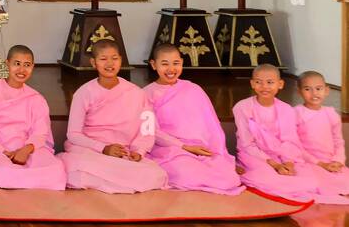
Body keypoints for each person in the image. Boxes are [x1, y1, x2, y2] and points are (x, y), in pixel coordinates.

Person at [61, 39, 168, 193]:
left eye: (114, 58)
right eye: (103, 59)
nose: (109, 63)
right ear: (93, 62)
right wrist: (103, 148)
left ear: (121, 61)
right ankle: (120, 181)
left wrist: (139, 151)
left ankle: (108, 180)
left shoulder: (137, 93)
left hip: (123, 152)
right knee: (73, 169)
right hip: (91, 149)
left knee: (157, 175)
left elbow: (147, 128)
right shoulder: (84, 93)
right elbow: (73, 134)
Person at [142, 43, 243, 194]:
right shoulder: (145, 94)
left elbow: (212, 127)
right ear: (153, 65)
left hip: (200, 148)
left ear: (182, 63)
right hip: (169, 149)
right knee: (186, 173)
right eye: (164, 64)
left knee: (230, 179)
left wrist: (219, 152)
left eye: (176, 63)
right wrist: (184, 146)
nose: (171, 69)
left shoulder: (193, 89)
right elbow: (149, 131)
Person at [233, 65, 343, 203]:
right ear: (252, 83)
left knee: (310, 182)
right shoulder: (242, 107)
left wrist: (288, 163)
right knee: (267, 178)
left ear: (280, 84)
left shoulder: (286, 109)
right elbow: (246, 143)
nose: (264, 86)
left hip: (282, 155)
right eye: (258, 82)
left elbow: (289, 140)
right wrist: (275, 165)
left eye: (270, 82)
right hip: (254, 155)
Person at [0, 44, 66, 190]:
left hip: (26, 149)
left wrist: (26, 150)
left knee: (56, 169)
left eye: (27, 65)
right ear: (7, 64)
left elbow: (40, 133)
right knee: (3, 171)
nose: (22, 70)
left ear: (33, 67)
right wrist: (3, 151)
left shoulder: (36, 98)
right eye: (17, 64)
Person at [293, 71, 349, 202]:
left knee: (343, 179)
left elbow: (338, 141)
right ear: (299, 92)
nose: (314, 93)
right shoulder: (296, 113)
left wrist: (338, 161)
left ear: (327, 90)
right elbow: (295, 145)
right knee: (317, 183)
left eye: (318, 89)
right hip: (308, 162)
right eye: (308, 89)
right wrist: (319, 163)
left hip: (330, 161)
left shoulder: (330, 113)